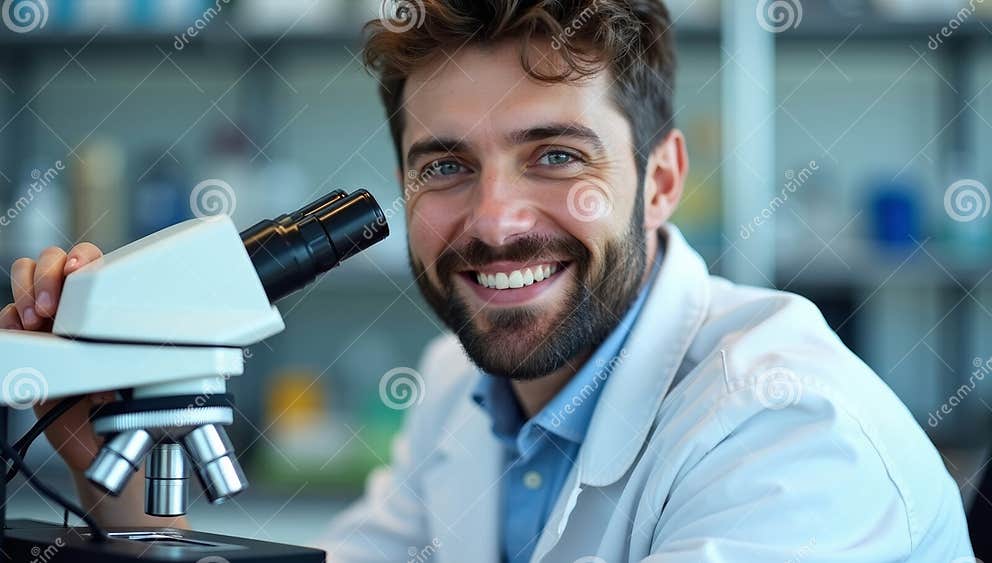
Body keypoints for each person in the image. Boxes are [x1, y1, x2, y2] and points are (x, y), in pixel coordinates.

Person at [1, 1, 974, 561]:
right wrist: (115, 482)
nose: (495, 220)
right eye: (444, 164)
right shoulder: (452, 388)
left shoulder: (789, 435)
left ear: (660, 180)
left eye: (553, 155)